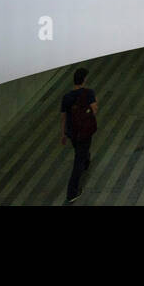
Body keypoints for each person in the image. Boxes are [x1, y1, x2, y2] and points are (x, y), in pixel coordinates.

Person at [60, 67, 98, 203]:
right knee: (78, 161)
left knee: (80, 150)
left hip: (72, 132)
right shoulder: (89, 93)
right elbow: (94, 110)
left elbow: (63, 117)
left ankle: (86, 161)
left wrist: (63, 134)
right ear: (84, 80)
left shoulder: (66, 97)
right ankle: (72, 193)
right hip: (85, 131)